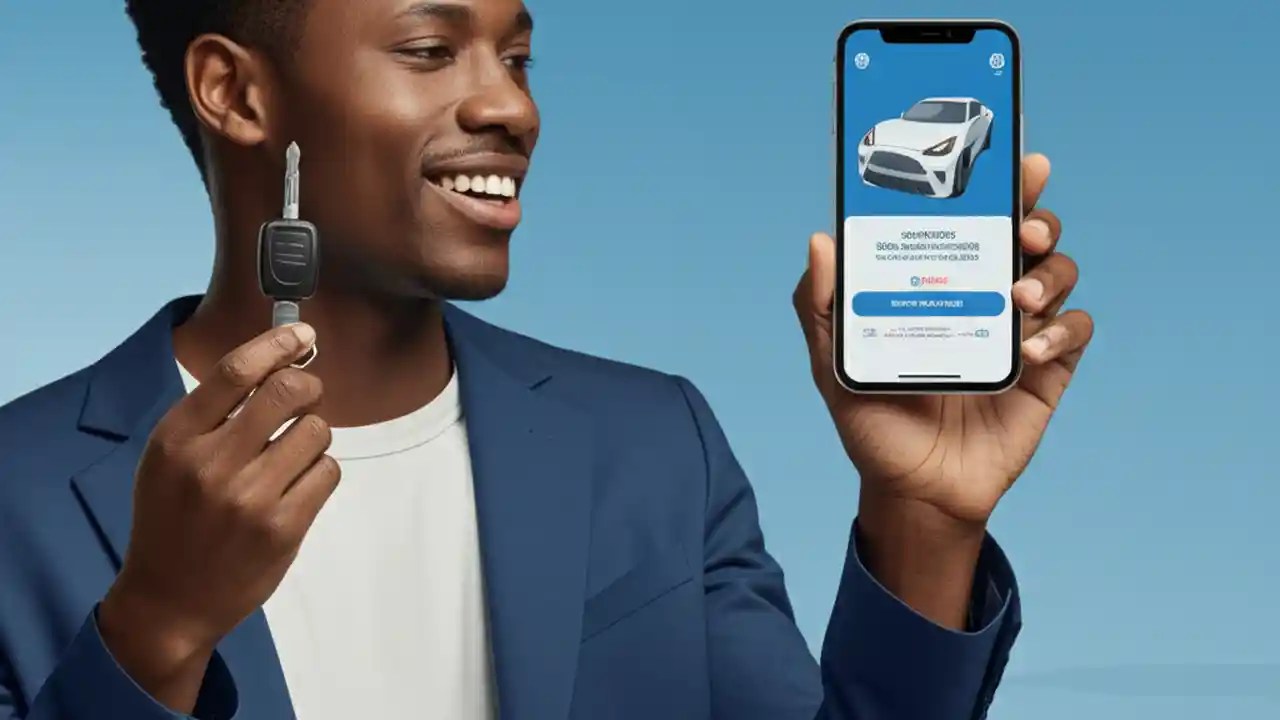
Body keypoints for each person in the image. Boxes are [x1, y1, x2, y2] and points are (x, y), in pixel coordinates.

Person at [0, 1, 1094, 718]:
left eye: (517, 57)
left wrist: (923, 521)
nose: (511, 106)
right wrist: (155, 631)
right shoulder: (18, 490)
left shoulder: (654, 447)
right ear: (235, 93)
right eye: (429, 51)